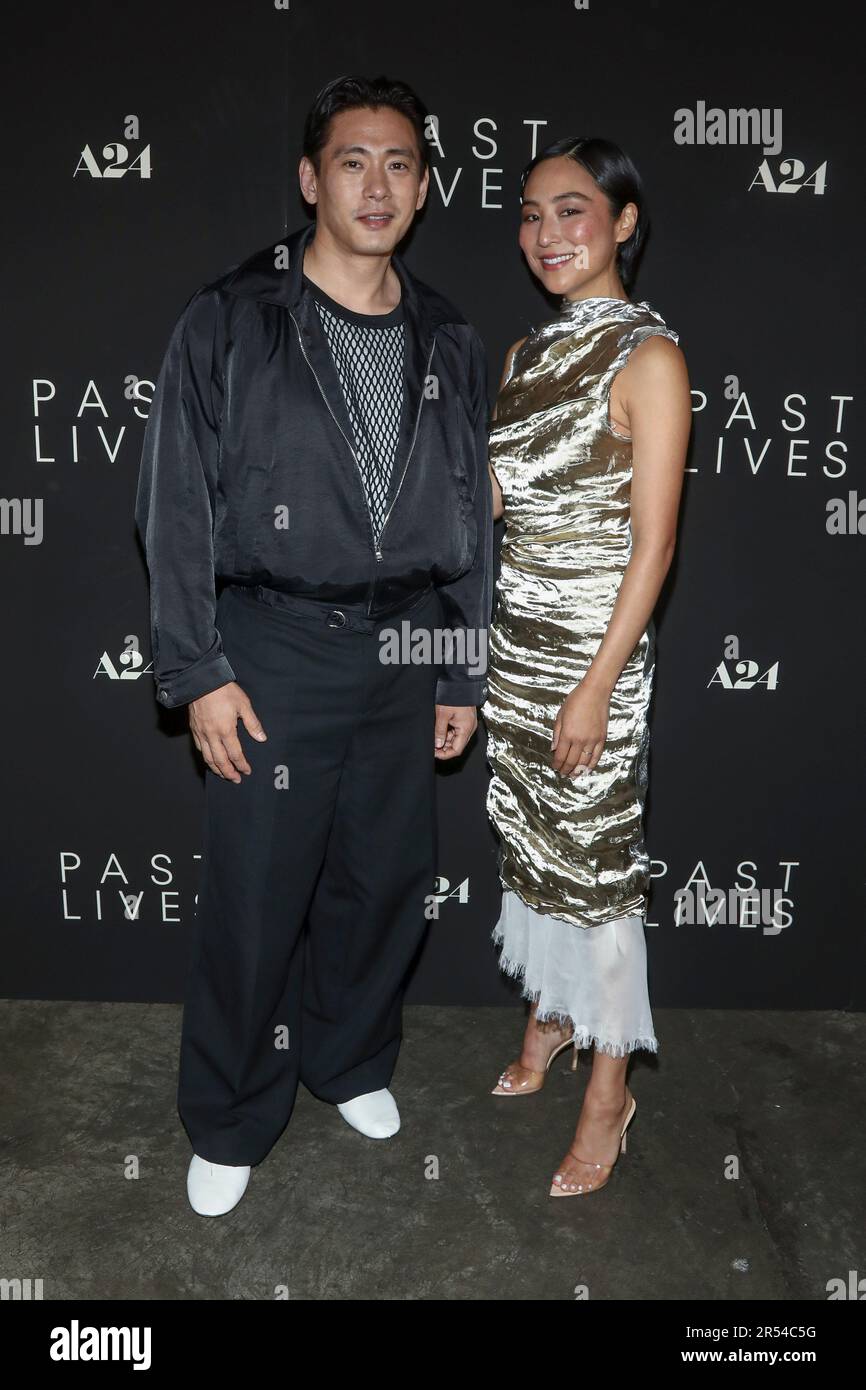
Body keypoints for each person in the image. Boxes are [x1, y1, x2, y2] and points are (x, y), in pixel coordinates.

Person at [134, 74, 493, 1216]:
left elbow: (473, 513)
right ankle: (232, 1112)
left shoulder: (449, 336)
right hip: (272, 643)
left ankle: (346, 1059)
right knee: (254, 899)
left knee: (383, 883)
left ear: (425, 186)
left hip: (405, 646)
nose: (375, 183)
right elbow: (173, 503)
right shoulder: (233, 316)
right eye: (351, 160)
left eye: (398, 162)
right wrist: (197, 672)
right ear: (309, 180)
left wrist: (463, 663)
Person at [482, 137, 691, 1197]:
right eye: (527, 214)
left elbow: (653, 543)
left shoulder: (648, 360)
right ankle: (553, 1013)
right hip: (514, 656)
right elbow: (491, 514)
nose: (544, 234)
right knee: (530, 840)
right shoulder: (522, 358)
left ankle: (609, 1089)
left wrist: (597, 684)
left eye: (569, 211)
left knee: (600, 877)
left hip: (589, 663)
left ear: (620, 224)